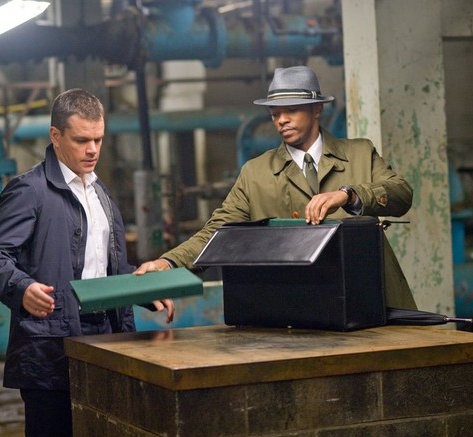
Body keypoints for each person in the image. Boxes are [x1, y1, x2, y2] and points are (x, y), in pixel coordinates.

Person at [0, 88, 174, 437]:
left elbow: (102, 268)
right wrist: (22, 287)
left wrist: (143, 288)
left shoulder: (100, 194)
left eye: (98, 139)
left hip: (107, 341)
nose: (93, 149)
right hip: (51, 346)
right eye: (82, 140)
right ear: (56, 136)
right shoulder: (29, 190)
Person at [135, 65, 416, 309]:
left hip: (369, 300)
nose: (282, 120)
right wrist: (168, 263)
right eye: (275, 113)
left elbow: (401, 193)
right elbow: (217, 233)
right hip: (302, 307)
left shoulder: (360, 154)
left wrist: (349, 195)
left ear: (317, 109)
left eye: (291, 110)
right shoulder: (256, 174)